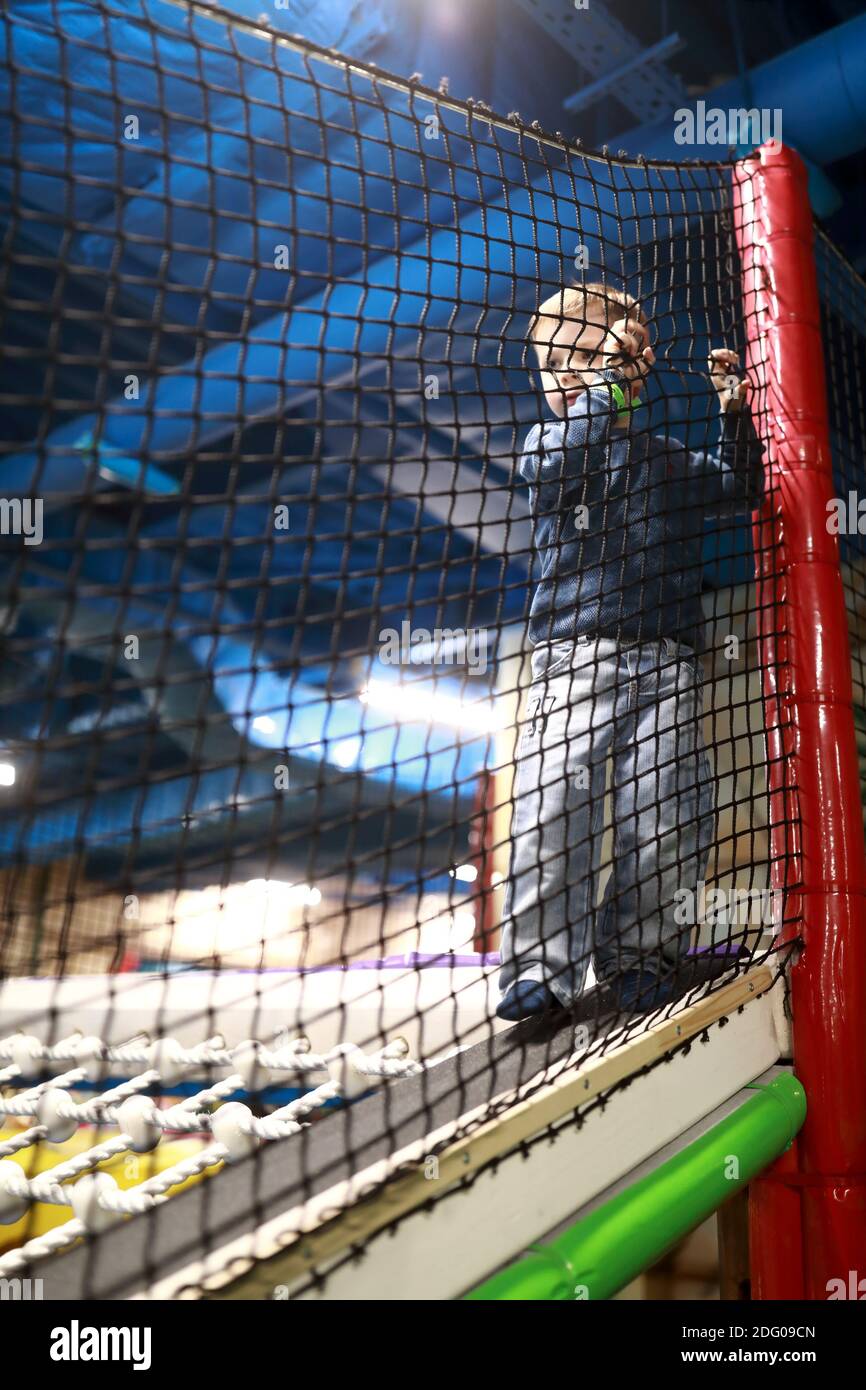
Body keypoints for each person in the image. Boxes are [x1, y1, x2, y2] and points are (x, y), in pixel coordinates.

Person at [496, 283, 764, 1020]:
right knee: (556, 814)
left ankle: (645, 953)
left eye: (590, 356)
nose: (571, 375)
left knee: (668, 816)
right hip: (574, 660)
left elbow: (738, 487)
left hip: (668, 664)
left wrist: (733, 412)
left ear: (634, 366)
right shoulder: (547, 446)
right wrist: (606, 387)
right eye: (556, 365)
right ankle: (541, 973)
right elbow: (570, 460)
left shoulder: (665, 457)